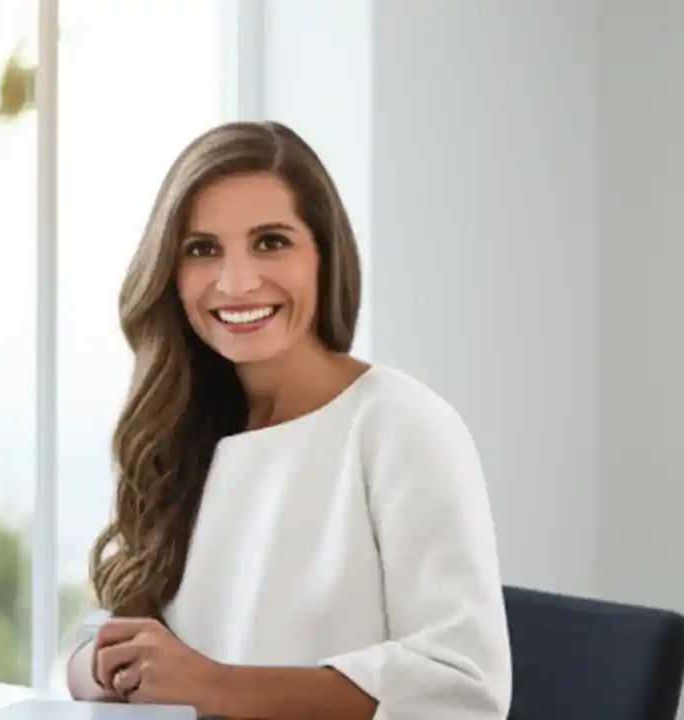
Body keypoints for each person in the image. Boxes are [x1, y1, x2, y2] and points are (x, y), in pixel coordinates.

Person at [65, 121, 512, 718]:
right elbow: (101, 634)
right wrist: (99, 667)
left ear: (324, 256)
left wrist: (209, 683)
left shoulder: (401, 425)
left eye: (271, 242)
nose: (237, 282)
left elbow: (461, 683)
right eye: (202, 249)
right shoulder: (184, 430)